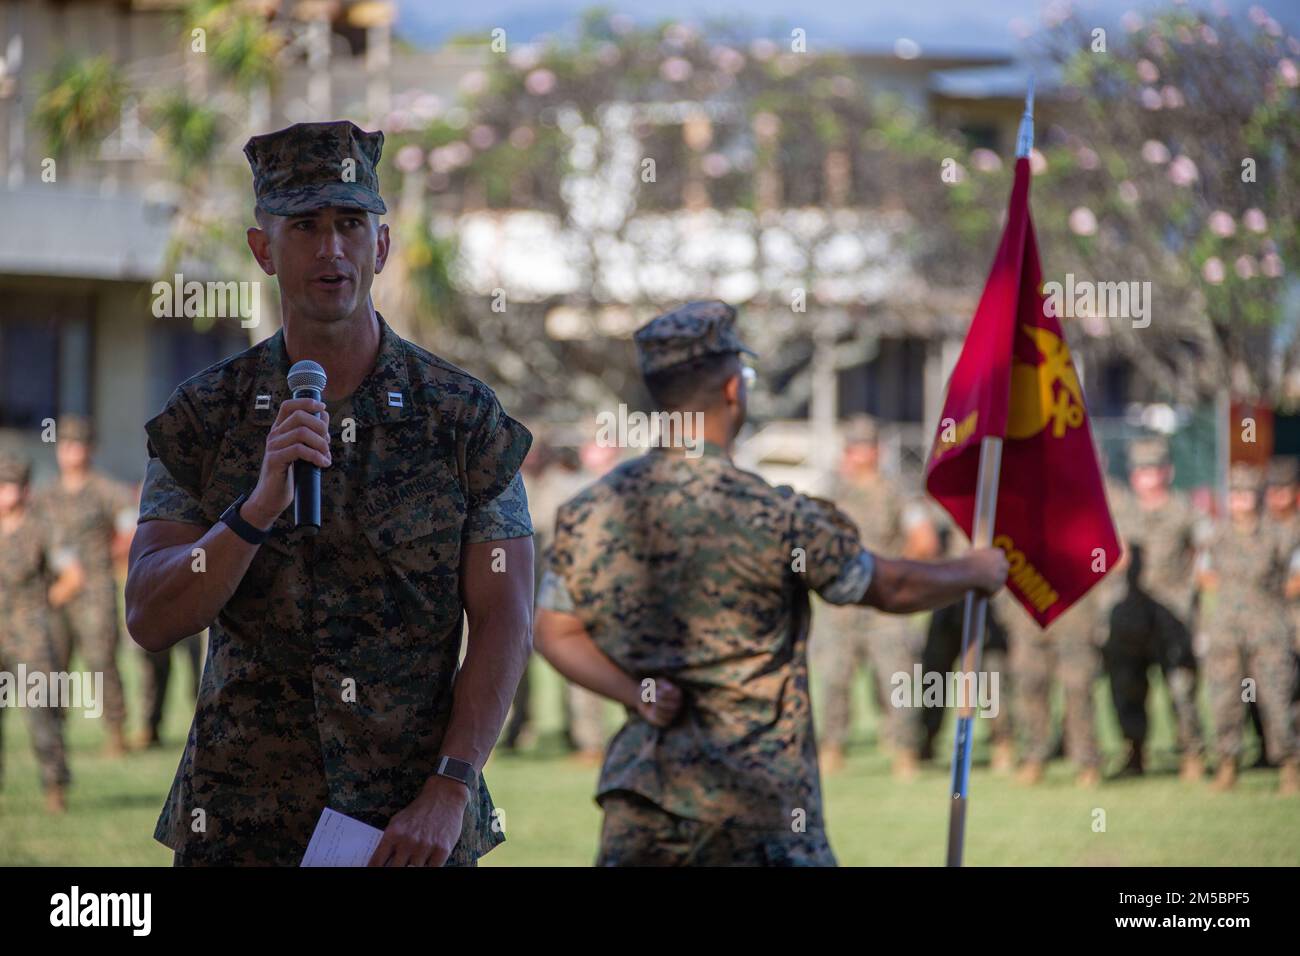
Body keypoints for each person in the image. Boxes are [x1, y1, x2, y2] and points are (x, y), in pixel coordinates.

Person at [124, 120, 535, 866]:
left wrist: (449, 789)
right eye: (305, 226)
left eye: (351, 224)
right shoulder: (204, 417)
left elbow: (506, 619)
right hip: (241, 823)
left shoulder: (463, 416)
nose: (331, 249)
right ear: (262, 248)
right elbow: (151, 615)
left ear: (380, 246)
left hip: (407, 826)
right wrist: (252, 513)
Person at [534, 300, 1008, 866]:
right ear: (734, 389)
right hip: (760, 809)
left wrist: (633, 692)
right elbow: (889, 588)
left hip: (643, 807)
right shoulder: (777, 515)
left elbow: (553, 632)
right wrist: (974, 571)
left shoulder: (589, 512)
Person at [813, 414, 939, 779]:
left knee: (896, 679)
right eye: (851, 448)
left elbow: (924, 540)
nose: (857, 455)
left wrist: (896, 573)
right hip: (841, 605)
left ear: (877, 451)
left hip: (885, 603)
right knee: (835, 678)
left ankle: (904, 752)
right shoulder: (831, 494)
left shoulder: (898, 491)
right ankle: (832, 748)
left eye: (863, 448)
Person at [35, 414, 137, 757]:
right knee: (52, 663)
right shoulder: (45, 496)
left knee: (101, 659)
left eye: (78, 444)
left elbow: (130, 530)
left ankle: (115, 730)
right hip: (56, 592)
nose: (71, 451)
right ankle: (55, 733)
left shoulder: (106, 489)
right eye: (65, 444)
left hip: (95, 588)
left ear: (89, 448)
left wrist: (112, 555)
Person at [1104, 436, 1205, 780]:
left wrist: (1192, 595)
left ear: (1168, 471)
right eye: (1140, 469)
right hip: (1130, 618)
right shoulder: (1120, 513)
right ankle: (1135, 752)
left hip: (1172, 617)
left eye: (1154, 469)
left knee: (1181, 687)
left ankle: (1192, 752)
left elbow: (1204, 555)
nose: (1146, 476)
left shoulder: (1184, 511)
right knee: (1127, 688)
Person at [1198, 463, 1300, 794]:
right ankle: (1228, 764)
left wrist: (1266, 596)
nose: (1240, 500)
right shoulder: (1217, 535)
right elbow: (1203, 573)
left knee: (1277, 699)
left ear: (1257, 497)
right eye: (1235, 494)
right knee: (1226, 699)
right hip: (1227, 633)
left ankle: (1290, 767)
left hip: (1268, 631)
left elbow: (1295, 575)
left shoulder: (1279, 535)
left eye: (1246, 494)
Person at [0, 451, 75, 813]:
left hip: (30, 639)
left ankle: (55, 787)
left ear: (25, 489)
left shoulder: (43, 527)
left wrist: (41, 607)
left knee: (41, 718)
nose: (5, 493)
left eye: (11, 486)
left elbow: (73, 577)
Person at [1005, 587, 1103, 788]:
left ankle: (1087, 762)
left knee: (1078, 687)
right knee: (1030, 684)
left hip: (1073, 599)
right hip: (1029, 595)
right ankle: (1034, 756)